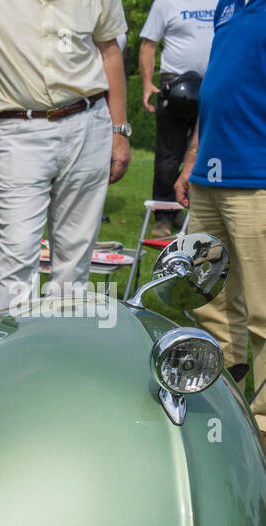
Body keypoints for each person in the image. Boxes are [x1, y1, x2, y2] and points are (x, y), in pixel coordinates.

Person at [0, 1, 131, 313]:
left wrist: (119, 130)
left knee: (75, 257)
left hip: (89, 120)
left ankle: (59, 349)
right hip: (19, 128)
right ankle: (7, 352)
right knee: (17, 253)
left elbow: (110, 49)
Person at [175, 0, 266, 434]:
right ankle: (221, 397)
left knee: (264, 310)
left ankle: (263, 425)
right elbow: (214, 90)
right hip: (211, 175)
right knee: (209, 299)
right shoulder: (227, 5)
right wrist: (194, 156)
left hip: (257, 178)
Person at [139, 2, 216, 237]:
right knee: (169, 155)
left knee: (205, 153)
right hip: (175, 86)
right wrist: (146, 83)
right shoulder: (165, 3)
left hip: (212, 82)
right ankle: (163, 216)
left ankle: (197, 213)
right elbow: (148, 44)